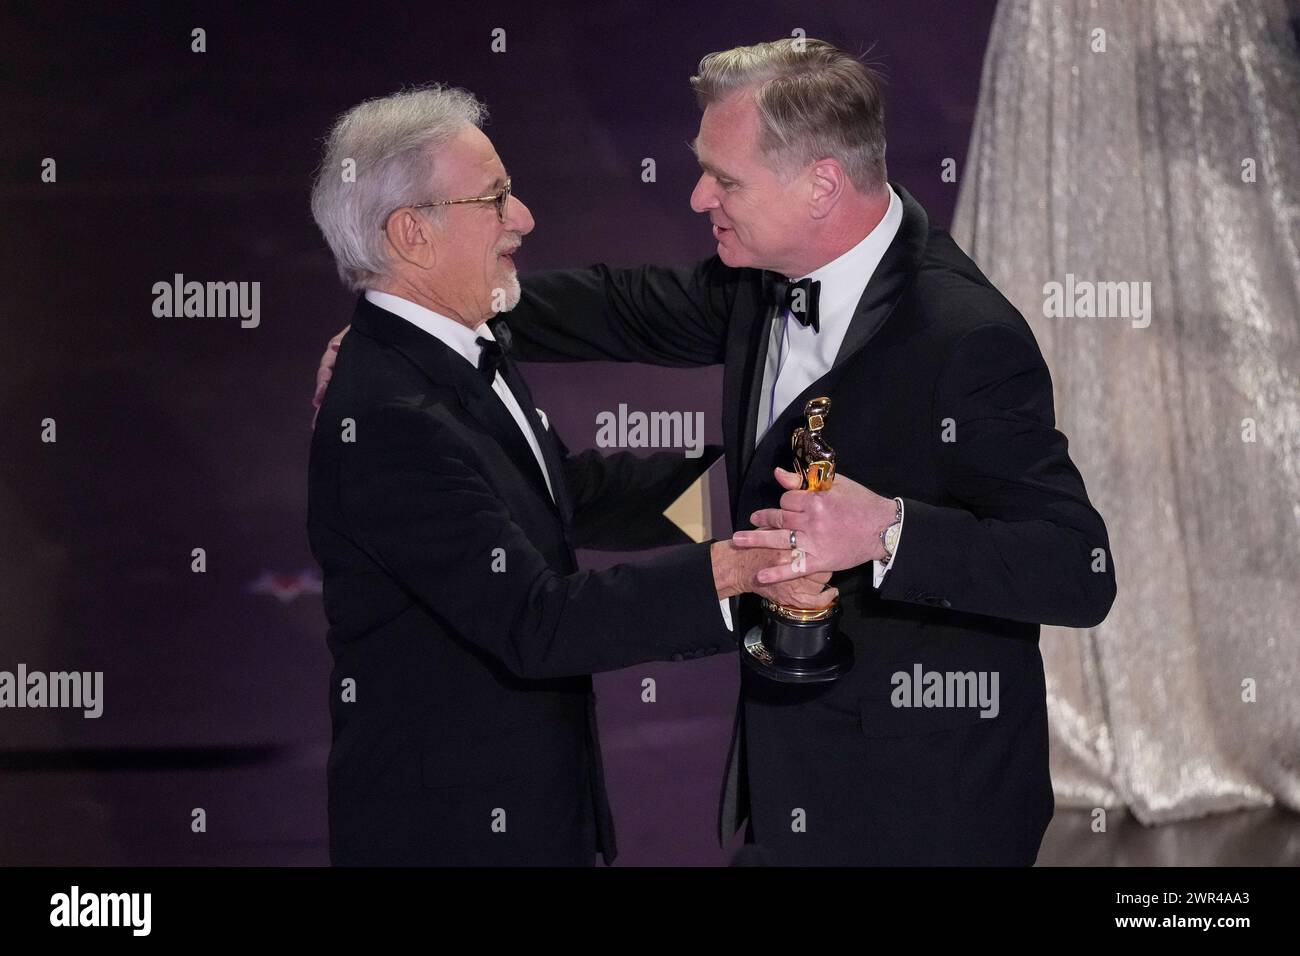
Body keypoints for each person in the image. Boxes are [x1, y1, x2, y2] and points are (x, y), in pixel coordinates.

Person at [315, 38, 1117, 865]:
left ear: (821, 185)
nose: (698, 196)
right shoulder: (758, 282)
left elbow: (1077, 567)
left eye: (725, 179)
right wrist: (420, 316)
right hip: (789, 786)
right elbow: (617, 308)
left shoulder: (964, 339)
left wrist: (888, 532)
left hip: (924, 803)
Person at [306, 85, 832, 866]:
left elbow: (559, 496)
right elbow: (536, 622)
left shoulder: (461, 347)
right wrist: (732, 575)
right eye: (495, 200)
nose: (523, 219)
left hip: (531, 816)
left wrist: (752, 500)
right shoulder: (390, 418)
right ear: (412, 233)